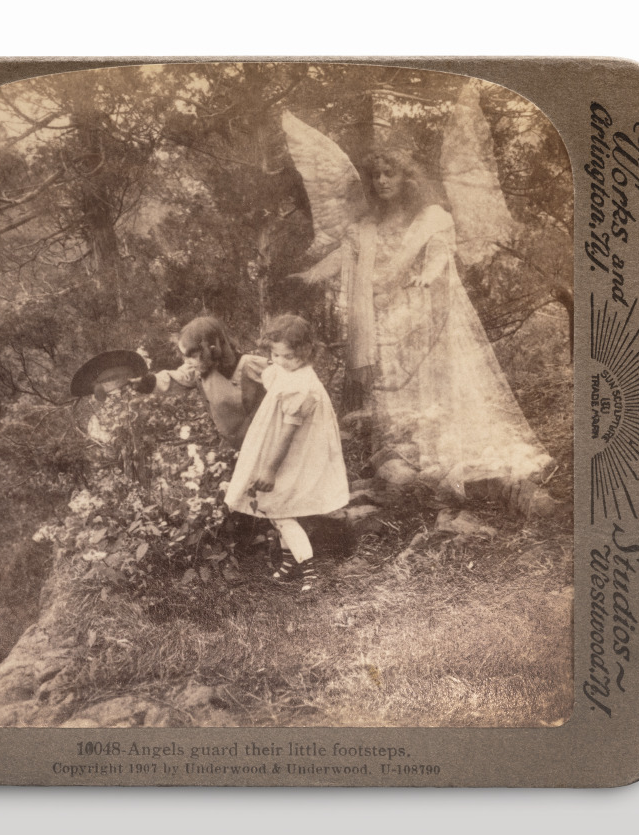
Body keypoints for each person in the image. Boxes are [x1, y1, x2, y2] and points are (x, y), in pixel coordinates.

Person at [297, 149, 551, 495]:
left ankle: (440, 458)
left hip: (423, 315)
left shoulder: (431, 217)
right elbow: (343, 257)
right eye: (377, 175)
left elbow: (440, 254)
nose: (383, 181)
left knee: (431, 384)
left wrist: (427, 277)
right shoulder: (365, 227)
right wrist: (308, 275)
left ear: (407, 179)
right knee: (393, 388)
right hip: (385, 321)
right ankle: (405, 462)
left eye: (390, 174)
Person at [224, 316, 349, 592]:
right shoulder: (287, 371)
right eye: (275, 354)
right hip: (287, 445)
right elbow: (273, 375)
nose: (280, 361)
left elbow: (289, 431)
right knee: (278, 506)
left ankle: (310, 572)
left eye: (288, 356)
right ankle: (292, 561)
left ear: (306, 351)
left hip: (295, 450)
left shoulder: (302, 385)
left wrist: (269, 468)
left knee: (278, 508)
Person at [132, 316, 269, 448]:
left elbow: (285, 378)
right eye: (184, 356)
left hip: (265, 439)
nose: (187, 361)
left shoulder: (250, 365)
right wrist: (147, 382)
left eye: (192, 356)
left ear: (211, 349)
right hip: (235, 444)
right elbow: (178, 378)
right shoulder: (200, 370)